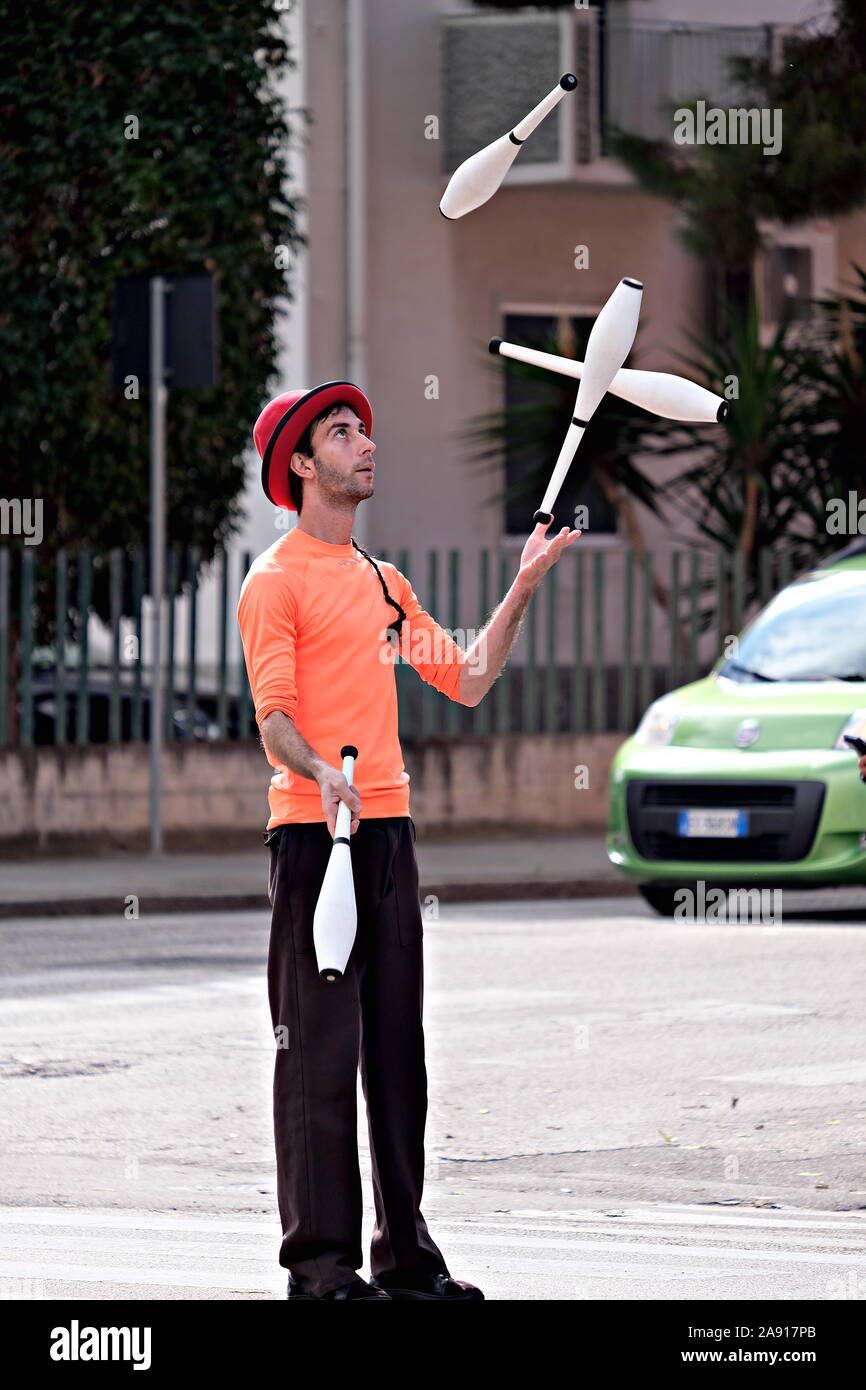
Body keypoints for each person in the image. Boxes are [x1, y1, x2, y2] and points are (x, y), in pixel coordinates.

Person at [237, 380, 580, 1301]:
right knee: (316, 1057)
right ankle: (321, 1270)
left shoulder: (387, 584)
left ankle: (408, 1263)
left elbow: (465, 678)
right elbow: (272, 720)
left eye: (364, 431)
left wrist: (521, 587)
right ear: (301, 465)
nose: (365, 444)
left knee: (398, 1056)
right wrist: (320, 772)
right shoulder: (273, 581)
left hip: (387, 833)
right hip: (316, 842)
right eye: (341, 433)